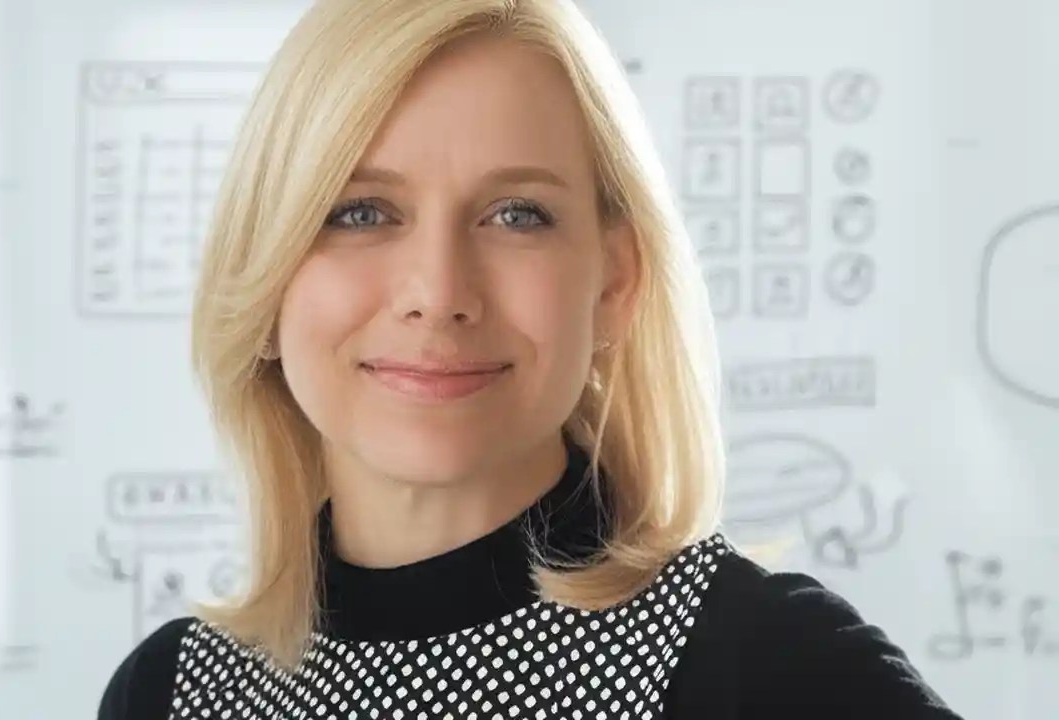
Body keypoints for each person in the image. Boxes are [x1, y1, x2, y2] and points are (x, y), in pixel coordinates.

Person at [98, 0, 965, 717]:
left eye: (517, 215)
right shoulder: (166, 694)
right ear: (264, 275)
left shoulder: (776, 669)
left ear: (613, 282)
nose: (439, 292)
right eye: (360, 213)